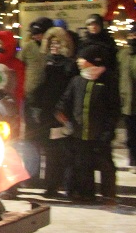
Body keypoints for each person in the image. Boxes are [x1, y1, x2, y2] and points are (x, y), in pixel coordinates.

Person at [56, 44, 120, 204]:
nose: (78, 61)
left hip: (100, 133)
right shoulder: (77, 81)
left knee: (105, 164)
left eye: (82, 58)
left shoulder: (107, 81)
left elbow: (113, 109)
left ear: (91, 61)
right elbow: (65, 103)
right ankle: (85, 193)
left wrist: (108, 130)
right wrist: (65, 120)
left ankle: (108, 194)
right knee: (83, 165)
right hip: (79, 133)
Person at [29, 27, 78, 196]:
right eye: (51, 43)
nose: (54, 46)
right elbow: (37, 87)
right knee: (49, 151)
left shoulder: (69, 65)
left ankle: (60, 185)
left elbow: (71, 90)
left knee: (60, 152)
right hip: (45, 114)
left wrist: (64, 111)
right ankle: (50, 185)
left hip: (60, 114)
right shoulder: (43, 63)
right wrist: (36, 106)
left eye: (58, 43)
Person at [19, 17, 53, 186]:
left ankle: (51, 179)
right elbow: (20, 67)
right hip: (31, 100)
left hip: (49, 101)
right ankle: (32, 175)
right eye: (34, 34)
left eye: (39, 33)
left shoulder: (54, 47)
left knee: (47, 142)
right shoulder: (29, 48)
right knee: (31, 140)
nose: (36, 37)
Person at [118, 24, 136, 172]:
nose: (132, 38)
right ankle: (133, 159)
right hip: (128, 101)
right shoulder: (123, 55)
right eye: (130, 35)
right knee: (130, 133)